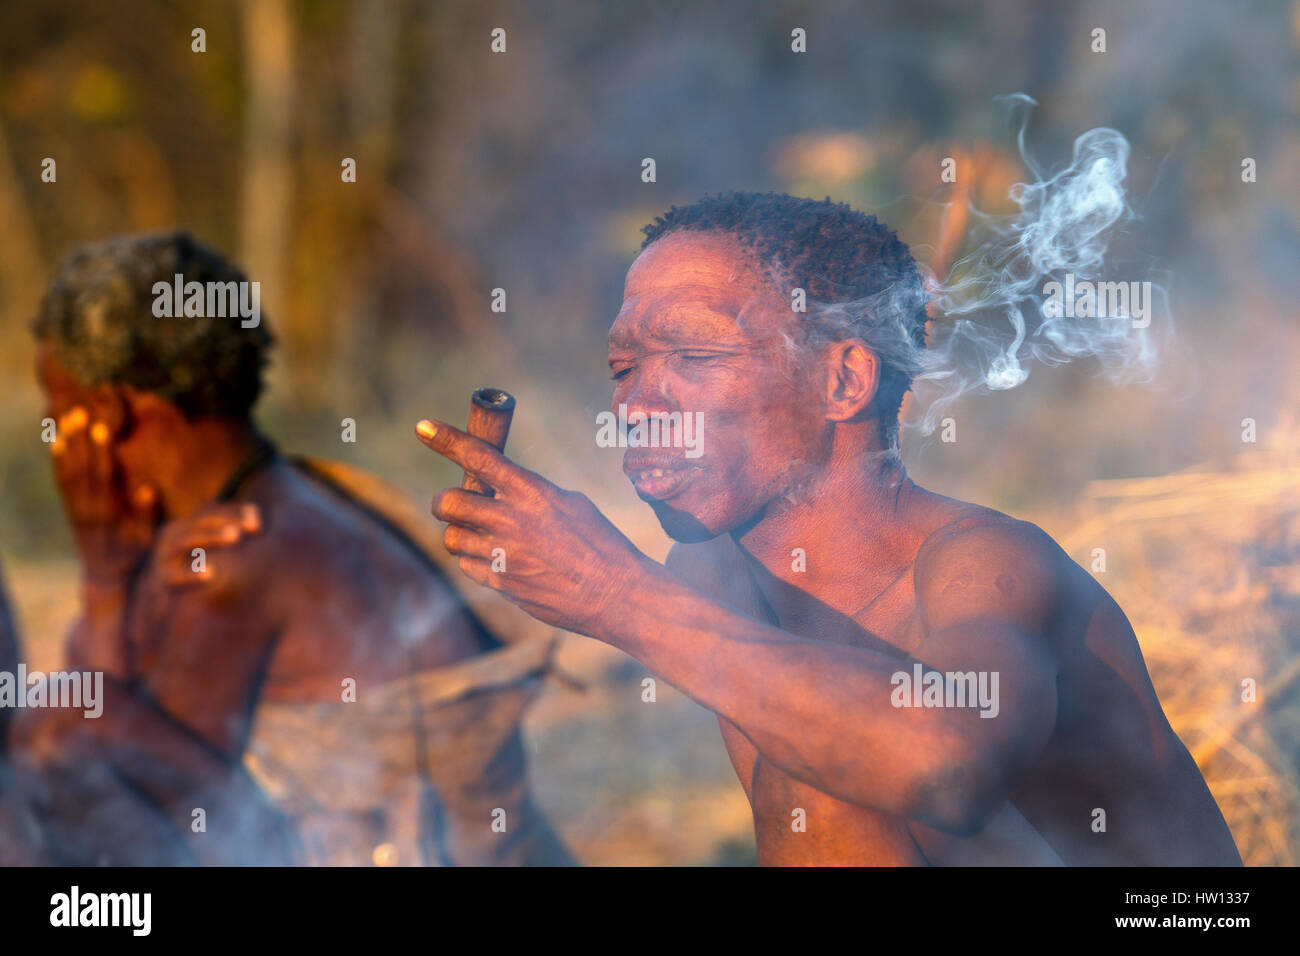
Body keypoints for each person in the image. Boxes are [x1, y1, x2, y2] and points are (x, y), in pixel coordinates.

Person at [417, 191, 1242, 865]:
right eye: (623, 368)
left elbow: (943, 764)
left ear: (844, 378)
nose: (637, 404)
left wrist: (614, 593)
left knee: (834, 771)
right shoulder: (716, 574)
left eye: (694, 358)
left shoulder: (987, 564)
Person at [10, 231, 570, 866]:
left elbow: (128, 774)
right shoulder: (295, 497)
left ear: (105, 414)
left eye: (58, 410)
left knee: (56, 736)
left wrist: (106, 577)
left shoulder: (237, 555)